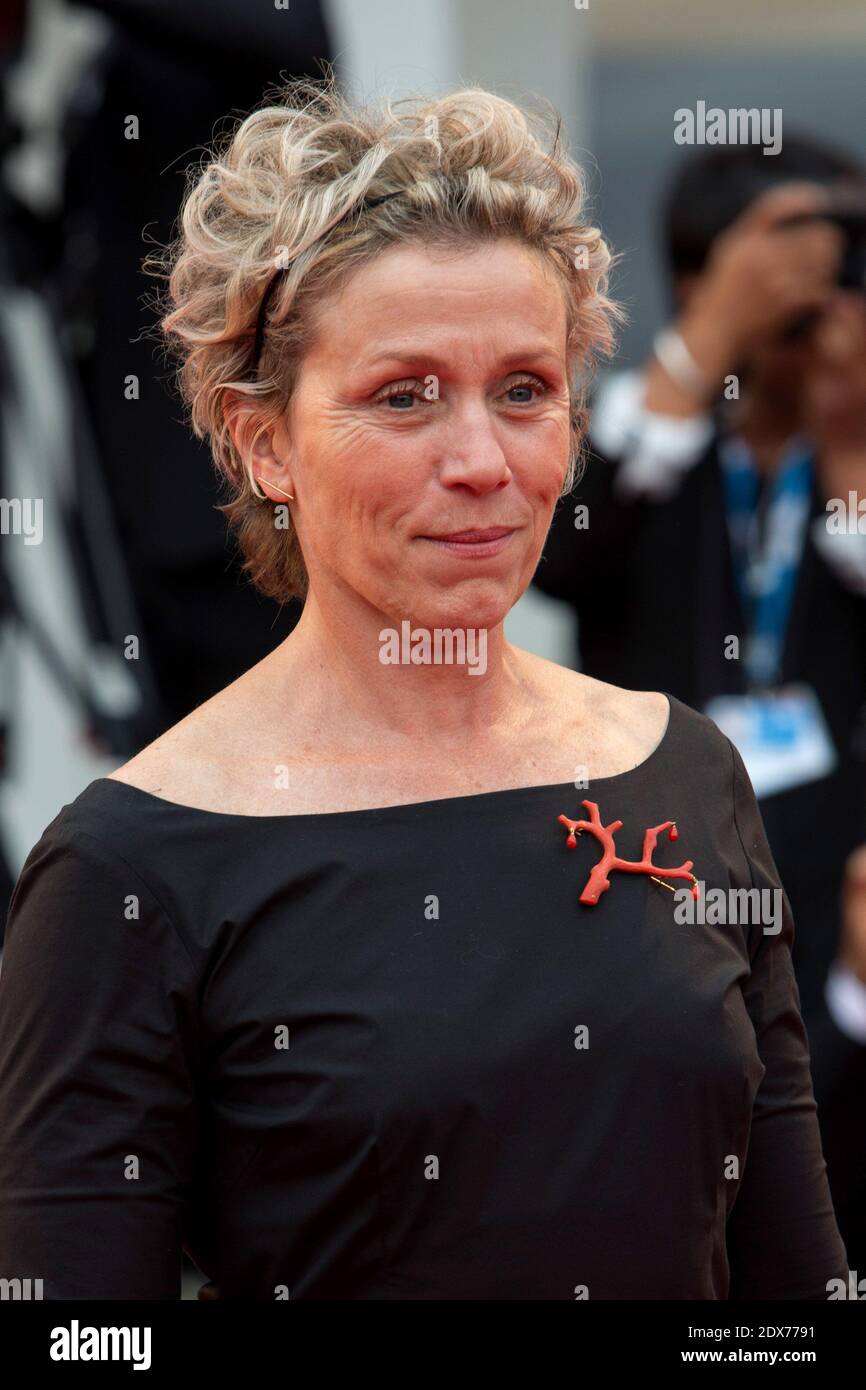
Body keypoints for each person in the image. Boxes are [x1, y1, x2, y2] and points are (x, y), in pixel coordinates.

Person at [0, 78, 849, 1300]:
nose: (480, 463)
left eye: (524, 390)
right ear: (262, 441)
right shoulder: (134, 867)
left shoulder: (680, 769)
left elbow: (789, 1287)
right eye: (403, 397)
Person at [533, 137, 866, 1271]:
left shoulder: (843, 455)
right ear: (693, 275)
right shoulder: (654, 452)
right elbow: (562, 558)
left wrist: (848, 451)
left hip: (840, 905)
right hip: (650, 887)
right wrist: (705, 337)